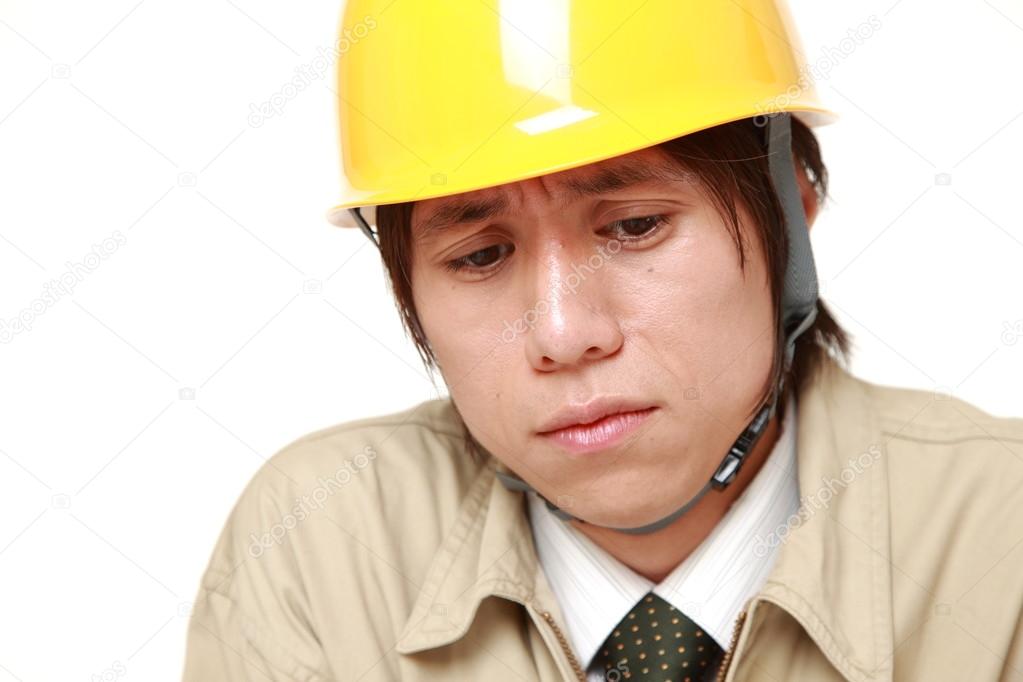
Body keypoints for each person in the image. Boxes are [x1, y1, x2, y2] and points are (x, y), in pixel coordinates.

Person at [182, 1, 1023, 680]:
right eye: (478, 255)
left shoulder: (1000, 538)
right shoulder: (323, 549)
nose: (560, 334)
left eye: (633, 225)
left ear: (790, 217)